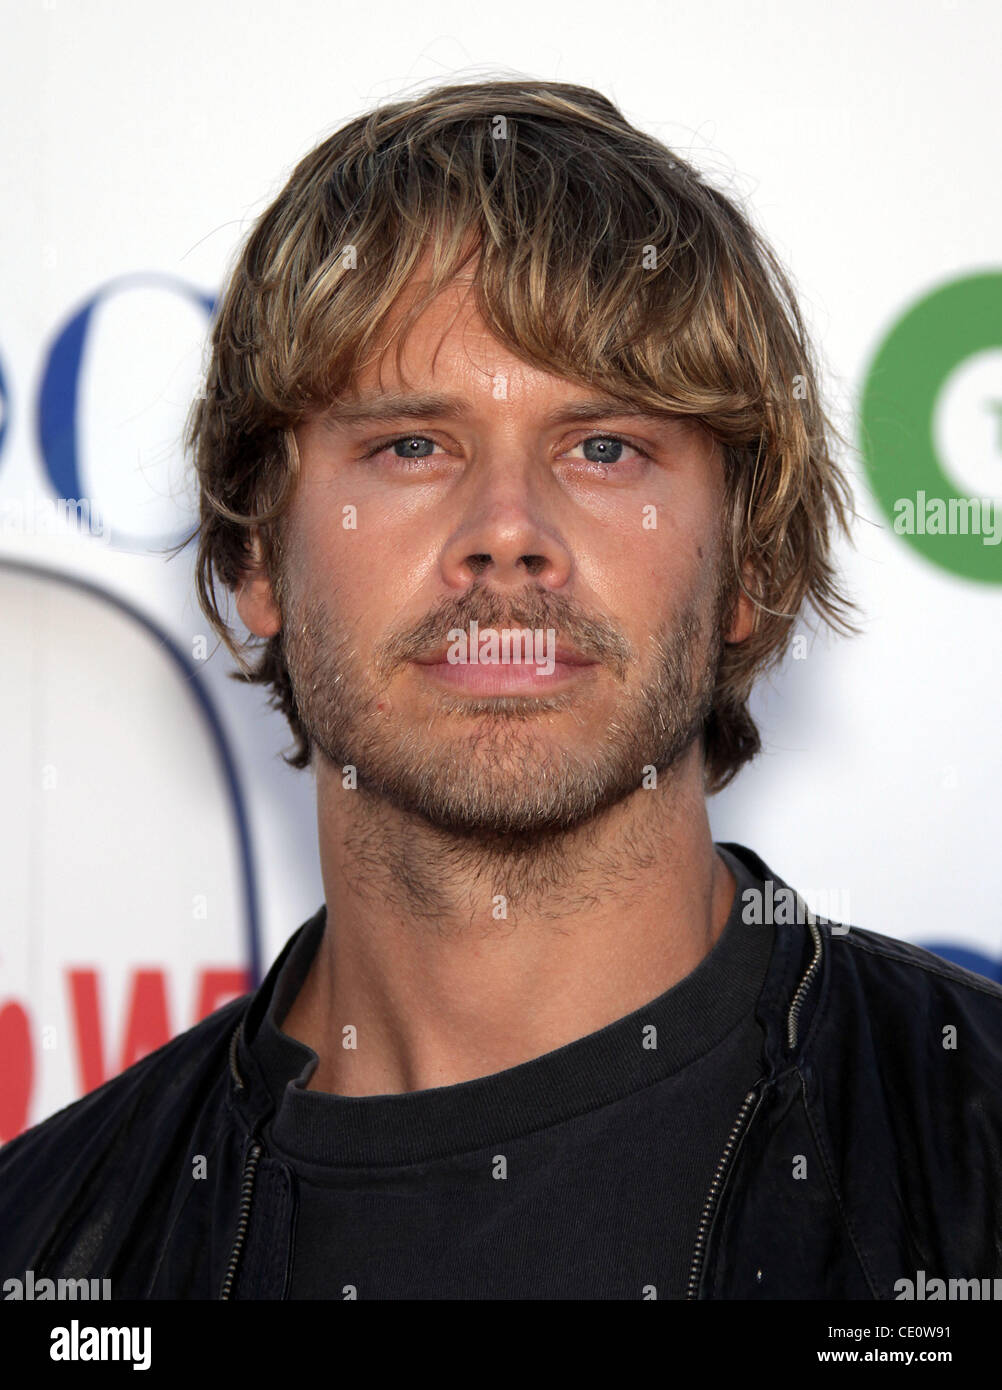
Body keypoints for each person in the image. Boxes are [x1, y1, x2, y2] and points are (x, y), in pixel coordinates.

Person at [2, 79, 1000, 1302]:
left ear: (748, 565)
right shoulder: (52, 1250)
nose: (508, 534)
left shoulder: (976, 1149)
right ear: (255, 552)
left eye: (604, 447)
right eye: (413, 446)